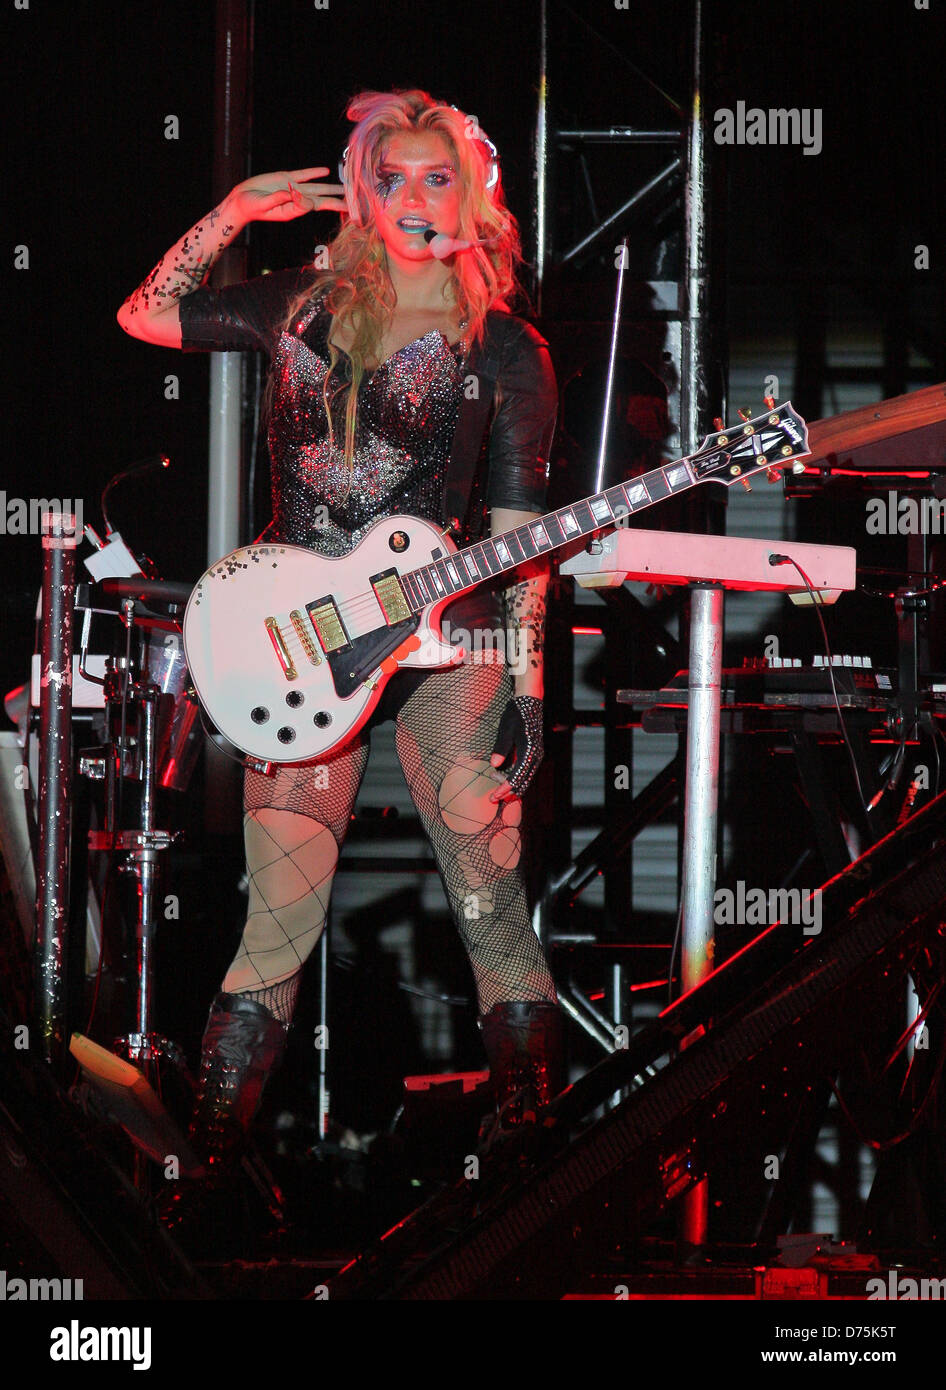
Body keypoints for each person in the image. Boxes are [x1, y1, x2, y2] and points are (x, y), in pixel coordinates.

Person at [117, 88, 563, 1184]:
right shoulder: (298, 307)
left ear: (472, 198)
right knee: (278, 912)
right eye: (393, 176)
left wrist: (530, 689)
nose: (415, 196)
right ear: (363, 193)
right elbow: (143, 315)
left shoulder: (507, 351)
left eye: (438, 176)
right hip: (296, 643)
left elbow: (518, 539)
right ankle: (209, 1171)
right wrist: (231, 210)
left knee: (486, 892)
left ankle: (534, 1156)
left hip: (447, 649)